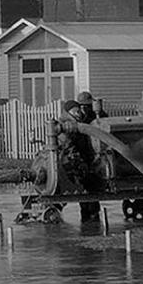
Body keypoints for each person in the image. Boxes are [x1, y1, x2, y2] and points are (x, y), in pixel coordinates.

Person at [60, 91, 108, 222]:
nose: (82, 110)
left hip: (88, 160)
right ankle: (90, 218)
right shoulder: (67, 125)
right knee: (87, 189)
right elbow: (69, 146)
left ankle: (91, 220)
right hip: (77, 163)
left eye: (86, 106)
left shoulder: (91, 118)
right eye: (80, 108)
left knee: (90, 192)